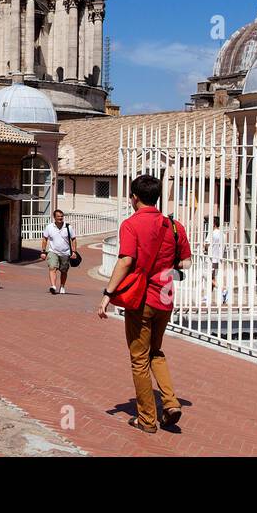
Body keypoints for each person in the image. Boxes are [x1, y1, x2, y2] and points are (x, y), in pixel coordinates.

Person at [97, 174, 191, 434]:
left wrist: (108, 293)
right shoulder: (174, 226)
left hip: (142, 299)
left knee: (139, 358)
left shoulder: (131, 224)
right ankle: (170, 403)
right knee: (156, 352)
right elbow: (185, 263)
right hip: (166, 297)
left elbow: (126, 260)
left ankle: (147, 419)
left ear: (134, 198)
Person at [39, 208, 78, 294]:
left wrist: (74, 251)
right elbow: (45, 239)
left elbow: (74, 239)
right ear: (54, 217)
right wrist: (43, 251)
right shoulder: (49, 227)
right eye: (58, 216)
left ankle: (62, 286)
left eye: (62, 216)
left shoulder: (68, 227)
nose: (60, 218)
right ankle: (53, 286)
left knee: (64, 270)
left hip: (65, 253)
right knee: (52, 267)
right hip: (53, 251)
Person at [206, 217, 225, 305]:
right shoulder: (223, 234)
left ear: (213, 223)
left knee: (208, 277)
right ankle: (208, 296)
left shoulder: (212, 233)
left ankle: (223, 290)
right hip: (218, 259)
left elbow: (206, 245)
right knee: (213, 277)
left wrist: (205, 247)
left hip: (211, 258)